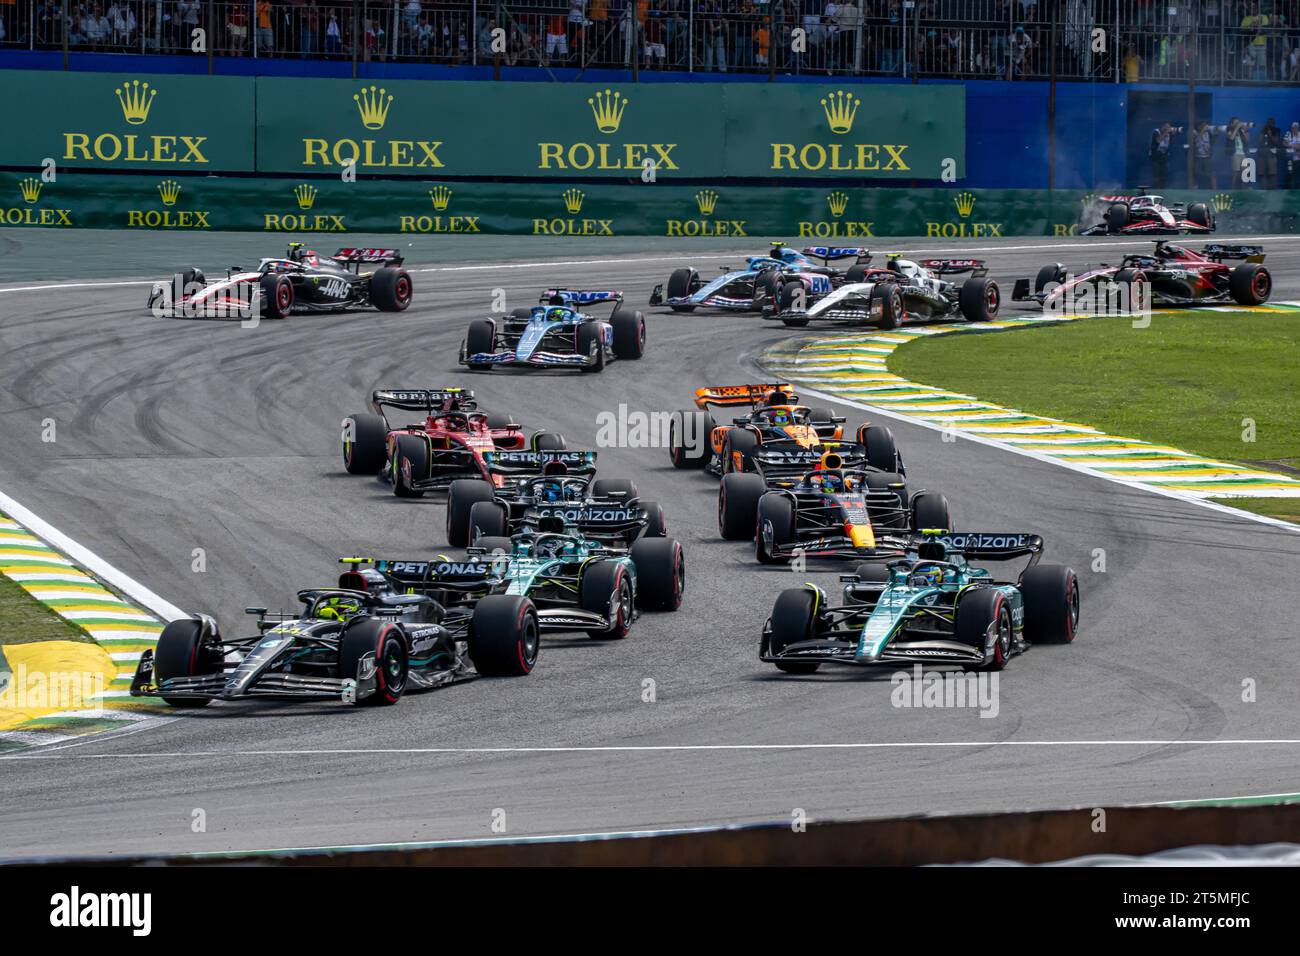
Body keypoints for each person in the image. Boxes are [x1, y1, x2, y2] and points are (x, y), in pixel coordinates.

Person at [1224, 117, 1252, 188]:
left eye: (1238, 122)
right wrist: (1237, 128)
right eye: (1236, 123)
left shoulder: (1241, 131)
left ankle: (1243, 189)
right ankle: (1232, 189)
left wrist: (1246, 130)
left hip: (1243, 153)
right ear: (1231, 123)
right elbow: (1231, 138)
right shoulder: (1228, 130)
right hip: (1235, 154)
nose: (1238, 124)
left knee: (1244, 173)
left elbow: (1247, 140)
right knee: (1235, 172)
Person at [1149, 121, 1174, 188]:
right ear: (1162, 126)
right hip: (1156, 157)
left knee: (1164, 176)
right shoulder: (1156, 132)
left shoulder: (1169, 134)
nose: (1168, 128)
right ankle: (1156, 191)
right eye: (1166, 127)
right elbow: (1158, 140)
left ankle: (1163, 191)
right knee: (1156, 176)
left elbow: (1170, 144)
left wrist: (1172, 134)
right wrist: (1166, 132)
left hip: (1164, 157)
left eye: (1169, 127)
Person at [1259, 118, 1282, 188]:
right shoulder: (1263, 130)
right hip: (1262, 154)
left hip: (1271, 154)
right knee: (1263, 173)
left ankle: (1274, 189)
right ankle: (1264, 189)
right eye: (1269, 123)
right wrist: (1263, 132)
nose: (1270, 124)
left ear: (1274, 123)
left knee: (1273, 173)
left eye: (1272, 123)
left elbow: (1276, 142)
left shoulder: (1276, 130)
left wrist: (1270, 134)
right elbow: (1259, 141)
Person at [1193, 121, 1216, 188]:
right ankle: (1194, 187)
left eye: (1205, 125)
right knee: (1196, 173)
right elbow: (1196, 141)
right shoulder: (1195, 132)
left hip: (1207, 156)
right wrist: (1202, 131)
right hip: (1198, 157)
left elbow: (1216, 133)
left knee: (1211, 173)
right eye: (1202, 125)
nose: (1204, 127)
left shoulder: (1209, 132)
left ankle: (1214, 189)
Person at [1285, 121, 1300, 189]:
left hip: (1298, 159)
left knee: (1297, 175)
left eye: (1296, 128)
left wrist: (1296, 146)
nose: (1294, 129)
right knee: (1290, 174)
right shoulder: (1288, 134)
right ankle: (1289, 189)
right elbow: (1283, 143)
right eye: (1293, 128)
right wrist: (1292, 145)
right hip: (1290, 159)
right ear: (1291, 128)